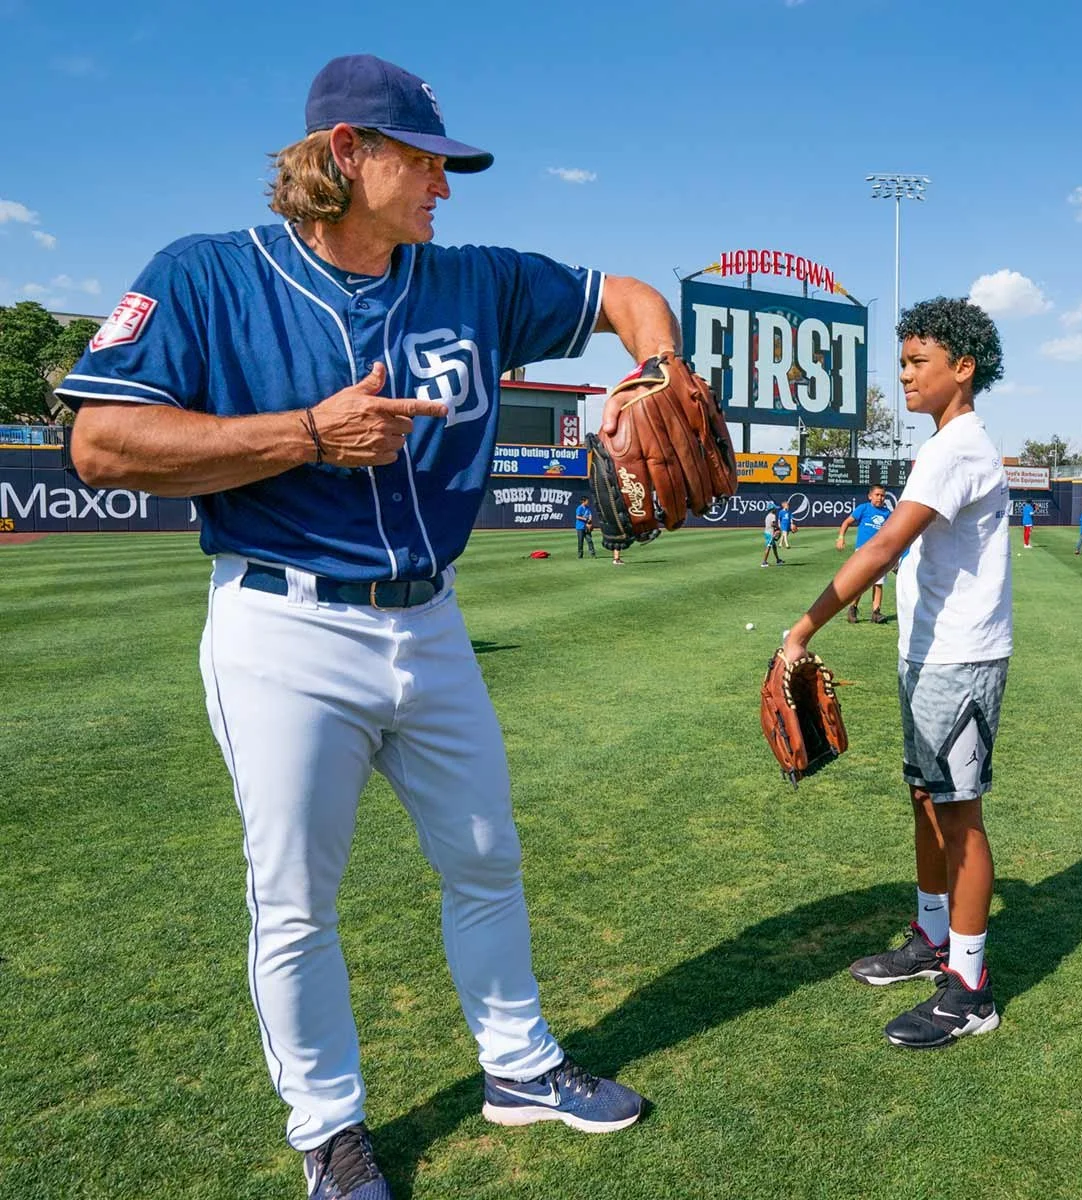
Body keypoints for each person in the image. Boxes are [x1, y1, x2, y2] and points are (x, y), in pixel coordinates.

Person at [60, 53, 684, 1200]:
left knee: (487, 860)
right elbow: (99, 444)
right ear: (347, 154)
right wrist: (304, 431)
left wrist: (657, 367)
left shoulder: (474, 281)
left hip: (432, 622)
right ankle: (329, 1131)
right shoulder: (206, 276)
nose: (446, 185)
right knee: (295, 899)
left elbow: (625, 295)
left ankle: (520, 1068)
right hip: (285, 627)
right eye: (426, 162)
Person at [782, 297, 1010, 1049]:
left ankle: (971, 989)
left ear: (963, 368)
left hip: (960, 658)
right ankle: (932, 937)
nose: (905, 374)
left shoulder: (960, 446)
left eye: (919, 362)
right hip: (927, 654)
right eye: (904, 360)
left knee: (958, 815)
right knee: (925, 798)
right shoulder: (943, 443)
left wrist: (804, 626)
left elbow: (882, 551)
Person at [835, 484, 892, 623]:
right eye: (877, 495)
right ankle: (853, 608)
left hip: (880, 552)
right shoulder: (864, 508)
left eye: (882, 495)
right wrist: (841, 537)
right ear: (870, 496)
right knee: (860, 582)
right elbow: (846, 522)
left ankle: (876, 612)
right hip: (863, 551)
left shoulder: (887, 513)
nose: (880, 498)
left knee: (878, 583)